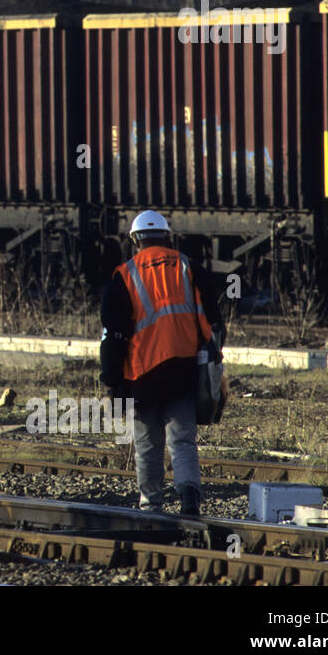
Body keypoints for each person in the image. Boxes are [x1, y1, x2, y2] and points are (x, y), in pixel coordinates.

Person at [99, 209, 225, 516]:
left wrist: (110, 381)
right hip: (184, 372)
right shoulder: (189, 267)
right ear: (167, 236)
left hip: (142, 377)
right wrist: (211, 363)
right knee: (182, 440)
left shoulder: (123, 275)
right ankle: (190, 498)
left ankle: (151, 504)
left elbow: (112, 335)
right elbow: (214, 321)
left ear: (135, 239)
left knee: (147, 445)